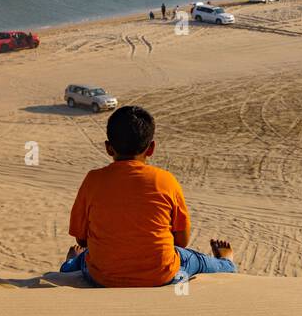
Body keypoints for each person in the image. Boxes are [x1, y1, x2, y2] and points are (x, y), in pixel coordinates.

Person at [59, 105, 236, 287]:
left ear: (108, 148)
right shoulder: (166, 180)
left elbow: (81, 239)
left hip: (102, 277)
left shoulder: (92, 180)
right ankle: (227, 263)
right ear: (151, 148)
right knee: (197, 260)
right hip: (162, 275)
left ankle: (70, 264)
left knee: (80, 261)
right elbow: (181, 241)